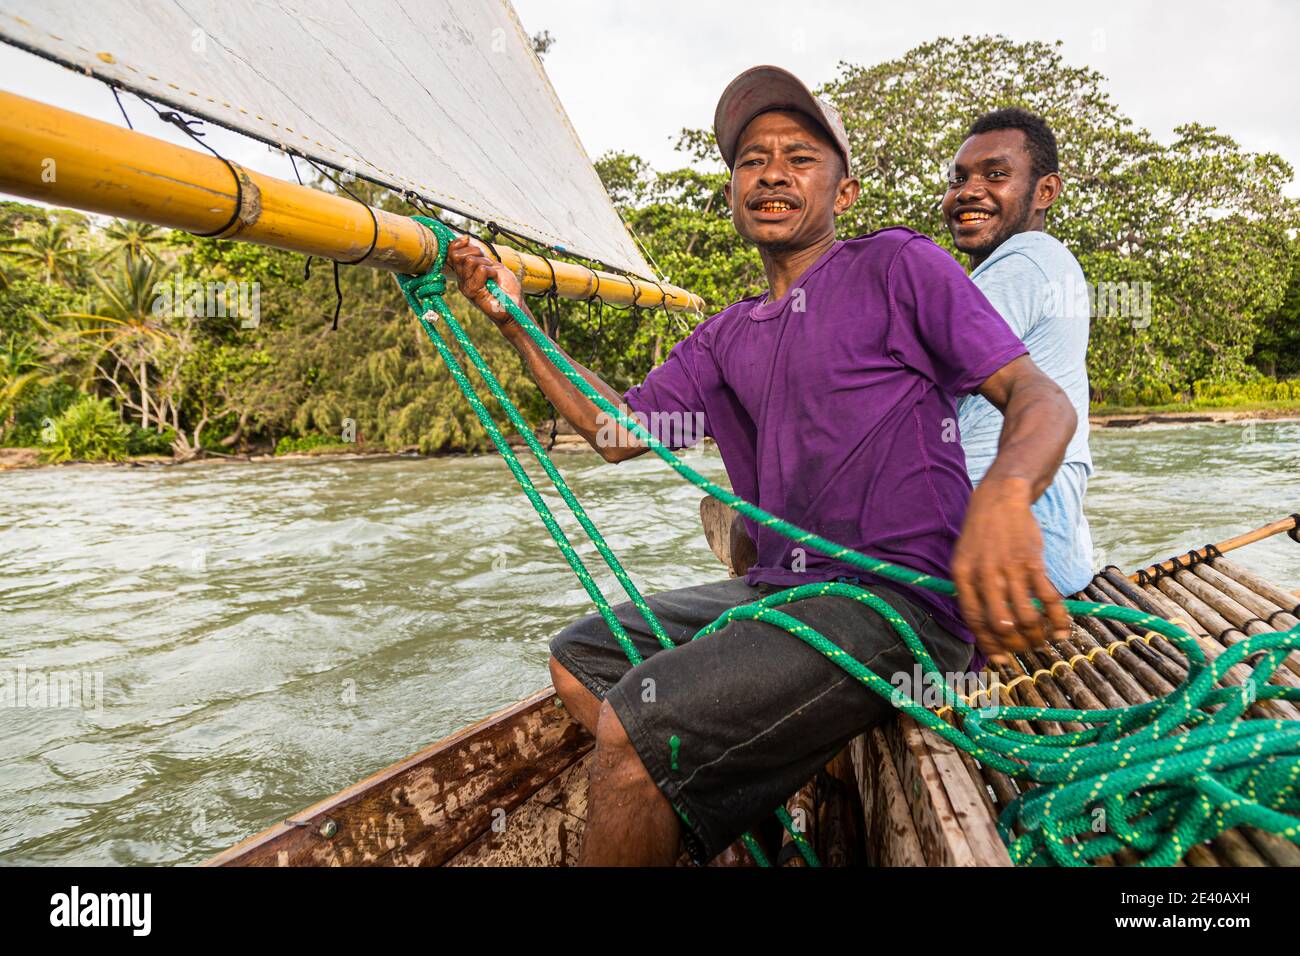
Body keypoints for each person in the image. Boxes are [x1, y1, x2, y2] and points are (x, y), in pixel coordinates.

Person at [446, 66, 1077, 866]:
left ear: (844, 194)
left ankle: (676, 780)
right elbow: (612, 431)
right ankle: (731, 798)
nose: (772, 172)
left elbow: (1038, 397)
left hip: (898, 602)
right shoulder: (724, 337)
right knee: (581, 663)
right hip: (781, 590)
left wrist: (1007, 499)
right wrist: (517, 318)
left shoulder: (898, 267)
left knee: (636, 732)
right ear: (734, 191)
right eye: (751, 159)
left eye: (800, 157)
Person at [941, 107, 1095, 596]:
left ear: (1045, 191)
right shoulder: (1040, 261)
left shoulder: (1024, 260)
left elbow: (916, 382)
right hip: (1050, 533)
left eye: (996, 175)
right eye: (958, 178)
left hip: (1008, 538)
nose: (968, 192)